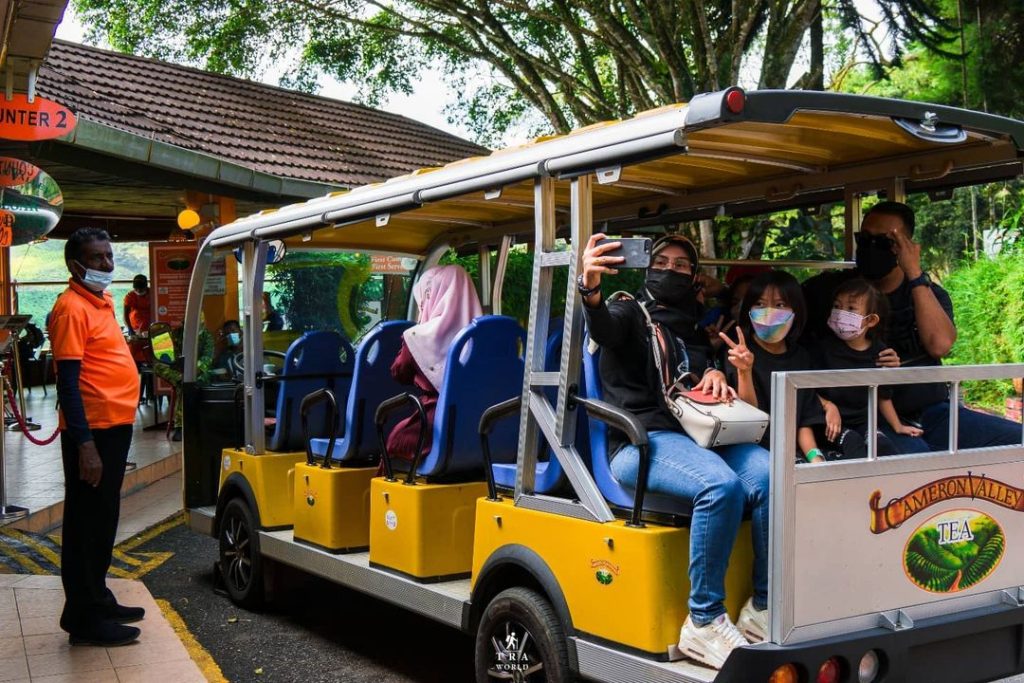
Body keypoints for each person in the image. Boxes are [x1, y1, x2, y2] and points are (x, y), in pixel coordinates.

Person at [581, 233, 769, 669]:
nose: (670, 270)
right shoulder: (629, 310)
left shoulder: (693, 326)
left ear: (693, 276)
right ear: (647, 269)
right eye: (661, 262)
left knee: (772, 475)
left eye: (681, 265)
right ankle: (703, 619)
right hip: (640, 442)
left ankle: (762, 605)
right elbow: (603, 327)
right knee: (720, 486)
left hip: (695, 438)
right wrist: (590, 288)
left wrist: (716, 377)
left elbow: (699, 380)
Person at [803, 201, 1020, 452]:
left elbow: (940, 345)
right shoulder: (833, 293)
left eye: (884, 242)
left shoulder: (926, 293)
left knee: (1017, 437)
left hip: (933, 412)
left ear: (905, 246)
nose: (871, 248)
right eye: (864, 239)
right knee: (916, 459)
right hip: (871, 418)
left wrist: (915, 273)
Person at [49, 227, 144, 647]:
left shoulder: (100, 301)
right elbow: (67, 384)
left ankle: (97, 597)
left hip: (113, 426)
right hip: (93, 433)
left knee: (103, 518)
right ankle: (83, 617)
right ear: (76, 264)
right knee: (87, 523)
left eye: (109, 256)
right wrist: (85, 445)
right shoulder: (71, 308)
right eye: (97, 257)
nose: (107, 264)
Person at [721, 271, 826, 463]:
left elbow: (805, 419)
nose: (769, 312)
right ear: (748, 309)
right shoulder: (737, 353)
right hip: (750, 452)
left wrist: (815, 459)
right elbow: (748, 418)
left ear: (796, 310)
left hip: (794, 454)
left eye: (780, 305)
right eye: (760, 304)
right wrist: (744, 371)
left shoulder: (801, 357)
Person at [386, 265, 482, 461]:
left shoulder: (417, 337)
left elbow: (399, 372)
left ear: (430, 297)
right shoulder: (487, 335)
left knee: (395, 441)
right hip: (483, 424)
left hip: (438, 421)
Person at [813, 278, 914, 458]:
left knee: (883, 447)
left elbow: (882, 394)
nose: (841, 313)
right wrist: (827, 406)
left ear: (871, 320)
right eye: (837, 306)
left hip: (864, 423)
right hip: (828, 423)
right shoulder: (822, 349)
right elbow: (807, 390)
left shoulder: (880, 352)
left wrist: (898, 426)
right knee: (853, 444)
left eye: (851, 308)